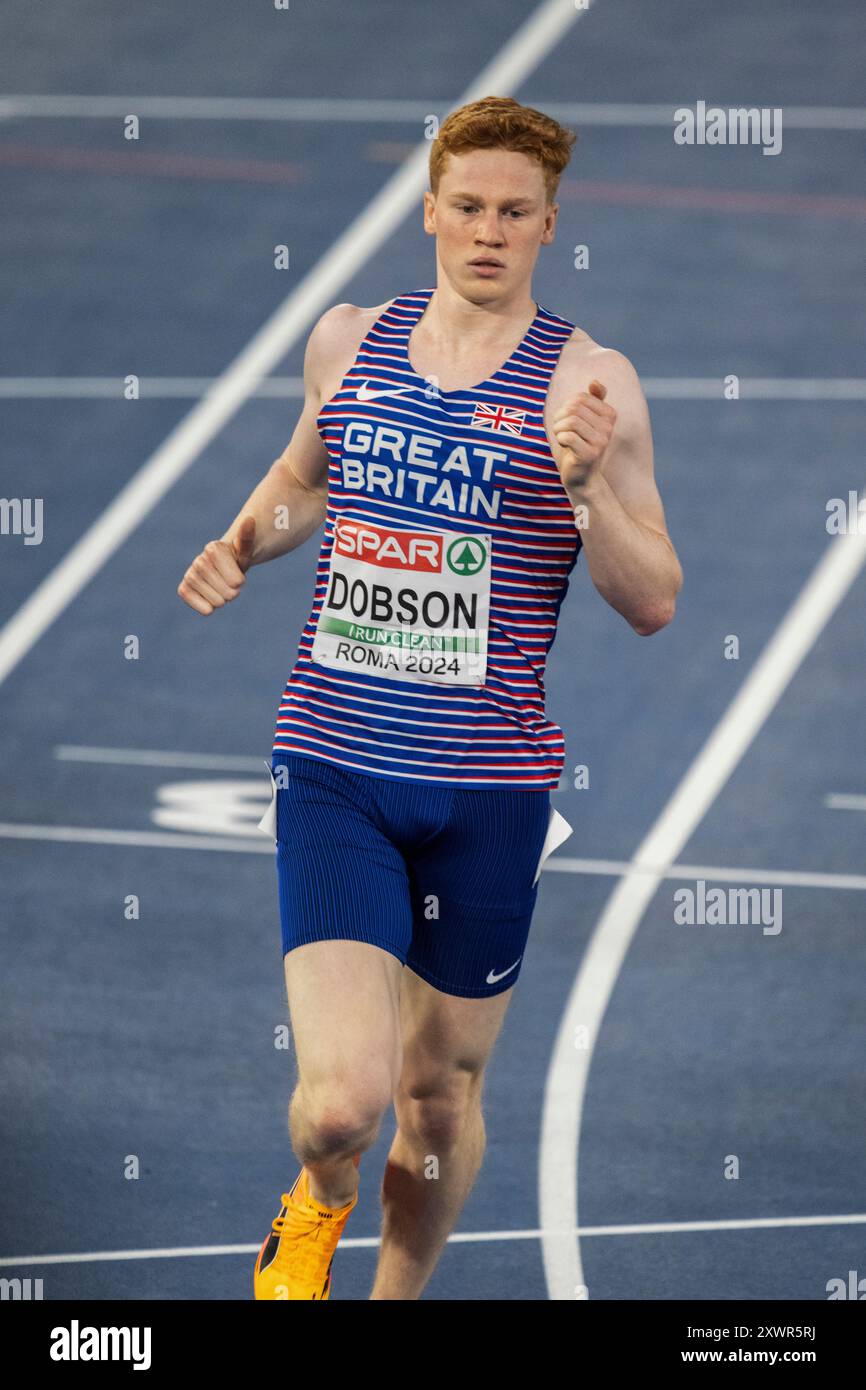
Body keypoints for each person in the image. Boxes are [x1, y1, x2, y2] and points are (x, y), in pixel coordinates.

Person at [178, 95, 682, 1301]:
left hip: (488, 787)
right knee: (341, 1106)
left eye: (514, 212)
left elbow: (652, 596)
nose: (488, 231)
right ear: (428, 212)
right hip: (337, 759)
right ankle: (321, 1199)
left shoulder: (589, 384)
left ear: (549, 223)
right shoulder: (347, 339)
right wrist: (248, 540)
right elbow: (308, 478)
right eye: (466, 207)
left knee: (437, 1096)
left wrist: (585, 489)